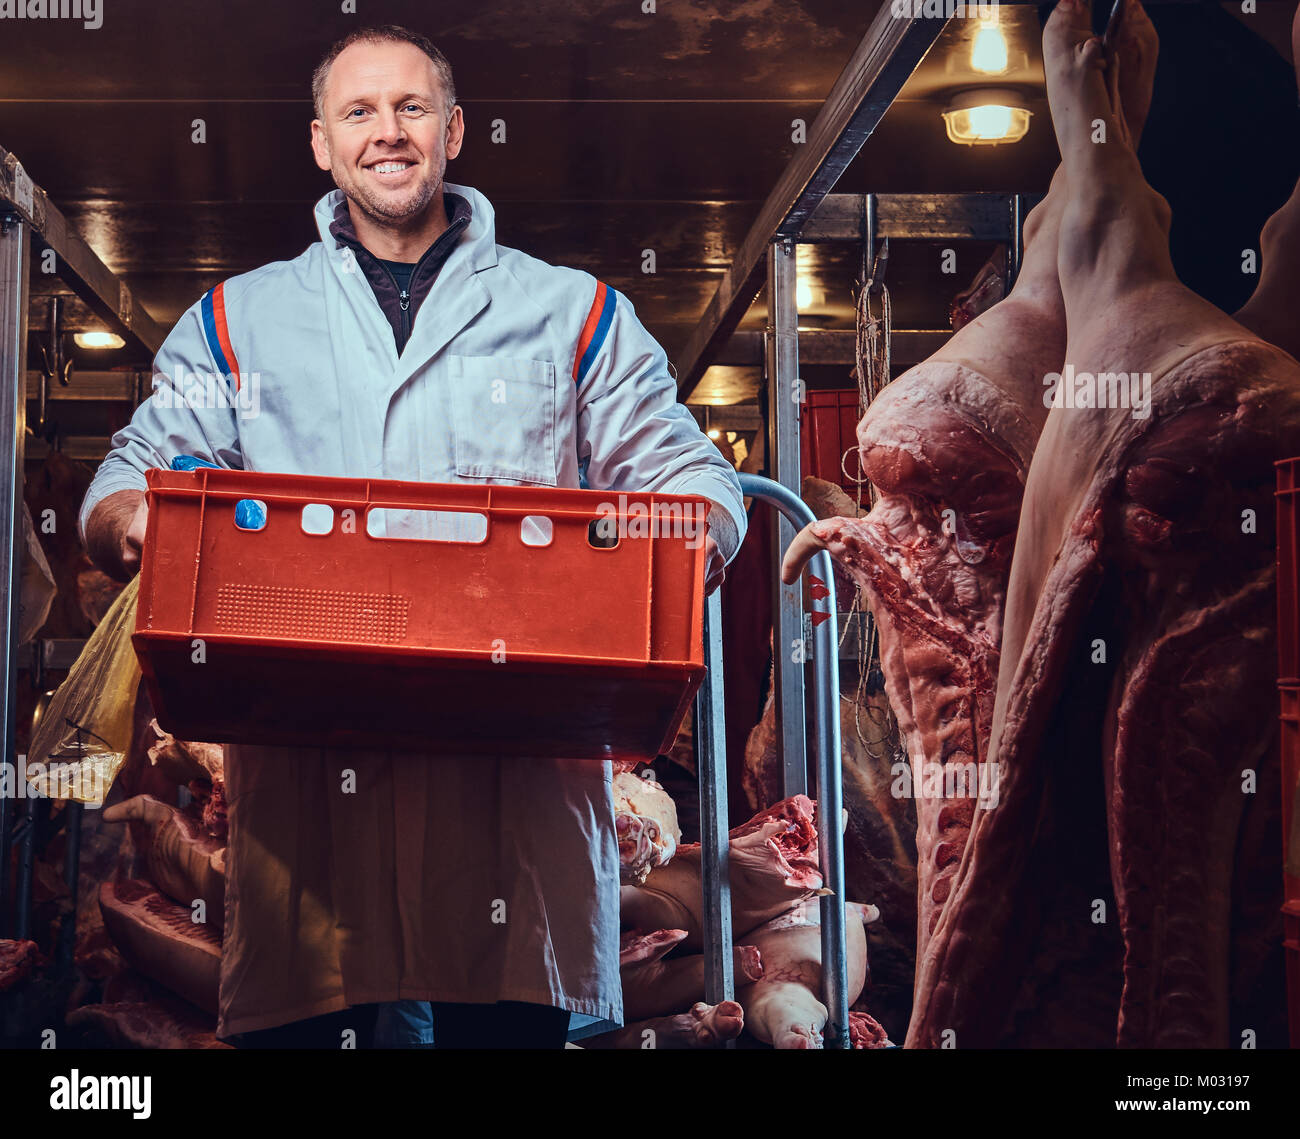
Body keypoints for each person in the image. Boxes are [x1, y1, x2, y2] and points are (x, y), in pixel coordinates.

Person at [80, 23, 746, 1049]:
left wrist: (683, 530)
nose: (385, 133)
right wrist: (137, 524)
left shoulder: (572, 313)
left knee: (504, 1028)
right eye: (358, 112)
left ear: (455, 130)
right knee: (305, 1027)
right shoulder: (239, 320)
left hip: (514, 783)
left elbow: (689, 477)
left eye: (410, 108)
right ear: (320, 142)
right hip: (306, 788)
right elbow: (132, 471)